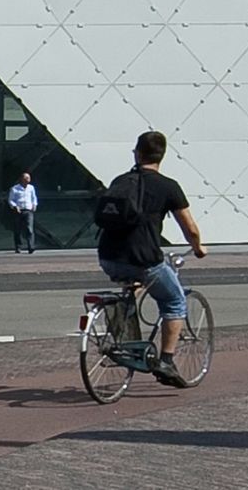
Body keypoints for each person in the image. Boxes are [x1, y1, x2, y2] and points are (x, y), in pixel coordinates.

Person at [95, 131, 208, 387]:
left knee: (131, 288)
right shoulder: (168, 186)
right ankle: (166, 361)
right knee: (174, 301)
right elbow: (189, 228)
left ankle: (124, 338)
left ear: (137, 153)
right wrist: (199, 247)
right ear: (162, 156)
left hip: (108, 256)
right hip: (143, 258)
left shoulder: (120, 180)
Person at [6, 171, 39, 254]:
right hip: (18, 210)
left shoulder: (31, 188)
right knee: (17, 229)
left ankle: (31, 246)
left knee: (29, 229)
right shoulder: (14, 189)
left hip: (28, 210)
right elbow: (11, 200)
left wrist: (34, 204)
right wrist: (15, 206)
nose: (28, 179)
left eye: (29, 178)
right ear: (22, 179)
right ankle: (18, 247)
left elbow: (34, 198)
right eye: (26, 178)